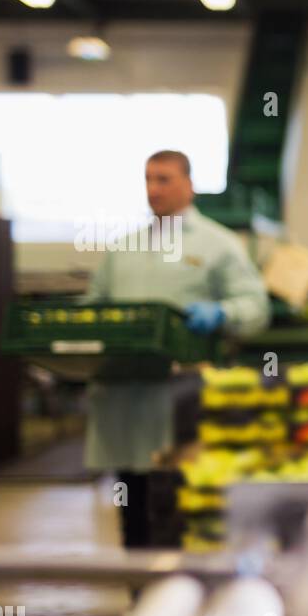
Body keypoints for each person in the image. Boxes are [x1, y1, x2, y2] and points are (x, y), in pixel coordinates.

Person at [84, 150, 269, 547]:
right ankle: (141, 598)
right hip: (127, 403)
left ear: (189, 184)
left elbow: (257, 306)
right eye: (148, 179)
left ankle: (187, 597)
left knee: (188, 512)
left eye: (164, 179)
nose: (153, 189)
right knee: (134, 512)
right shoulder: (123, 248)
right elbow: (94, 306)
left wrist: (222, 312)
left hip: (186, 402)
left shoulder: (219, 245)